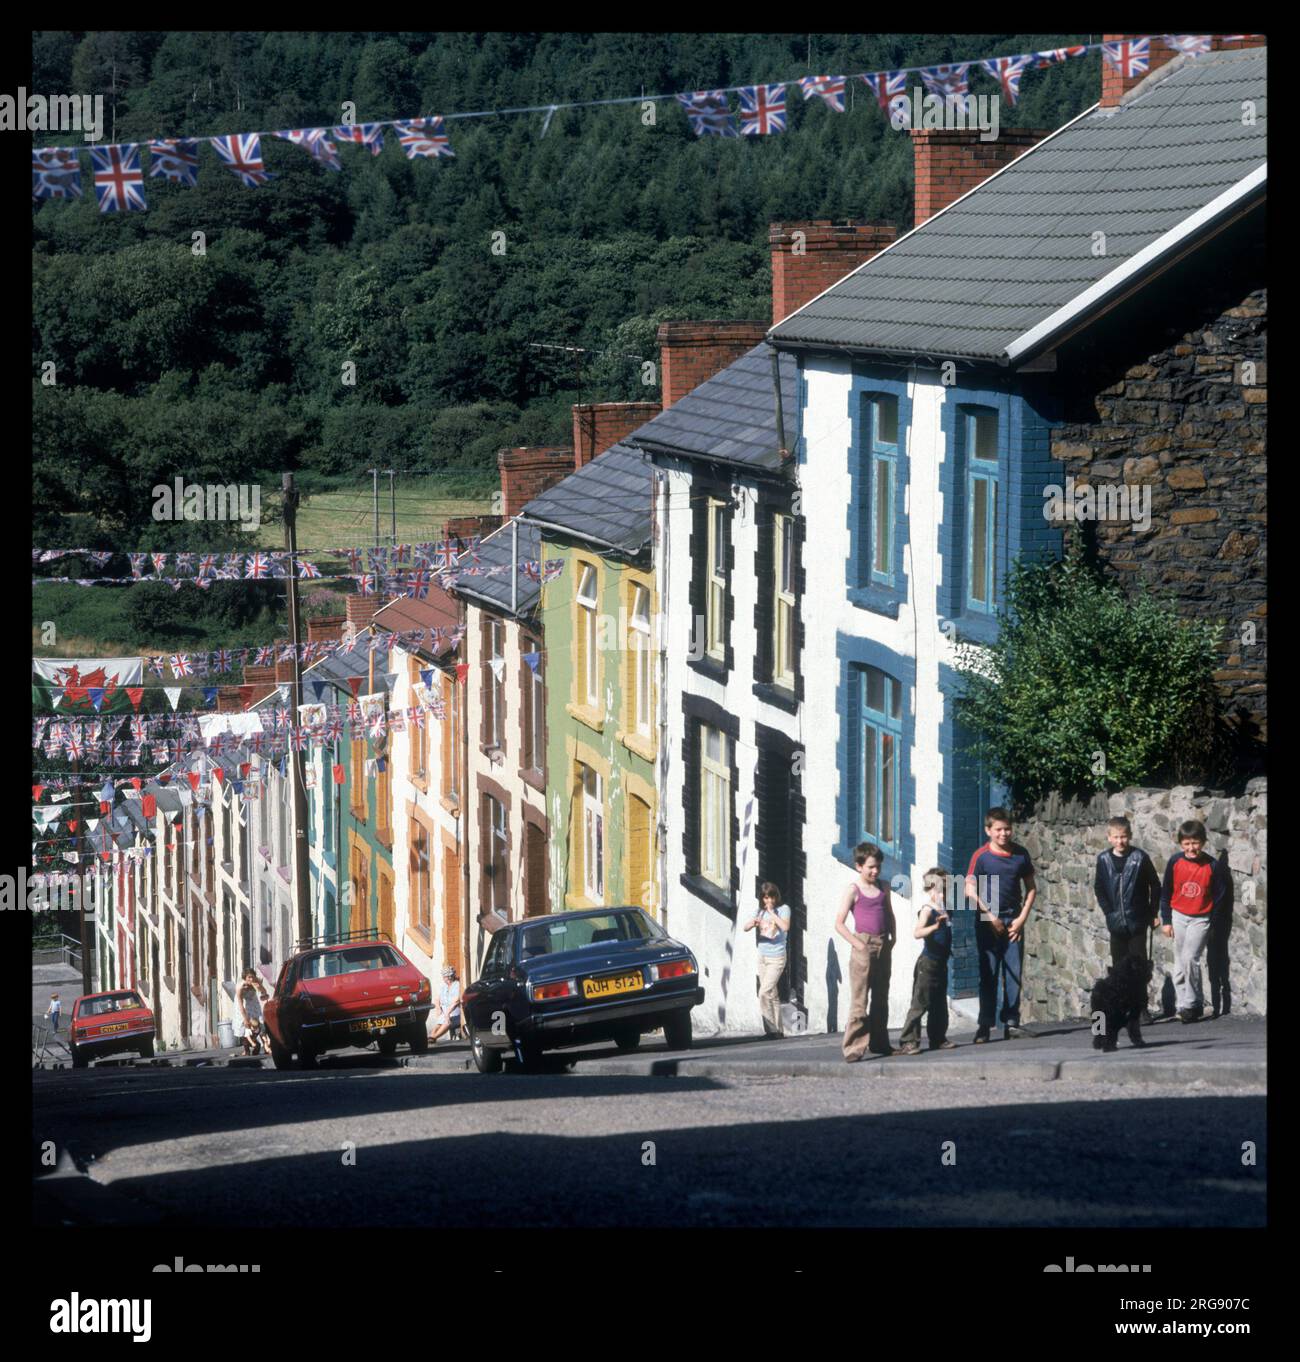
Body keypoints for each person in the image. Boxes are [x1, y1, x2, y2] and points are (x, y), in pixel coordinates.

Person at [966, 807, 1037, 1043]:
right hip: (988, 920)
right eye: (998, 830)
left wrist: (1022, 918)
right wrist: (989, 916)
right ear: (988, 830)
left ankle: (1011, 1023)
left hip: (1013, 919)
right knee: (989, 973)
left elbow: (1031, 888)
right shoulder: (981, 856)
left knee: (1014, 972)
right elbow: (968, 889)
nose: (1004, 834)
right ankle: (984, 1026)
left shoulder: (1021, 854)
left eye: (1007, 829)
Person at [1160, 819, 1231, 1023]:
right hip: (1178, 915)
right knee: (1180, 963)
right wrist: (1166, 920)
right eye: (1187, 843)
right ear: (1181, 844)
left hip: (1201, 918)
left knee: (1191, 958)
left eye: (1196, 843)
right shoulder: (1175, 861)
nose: (1191, 848)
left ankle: (1193, 1003)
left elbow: (1219, 899)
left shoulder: (1213, 866)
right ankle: (1184, 1006)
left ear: (1203, 842)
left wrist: (1213, 925)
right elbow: (1166, 892)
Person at [835, 843, 896, 1061]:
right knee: (860, 999)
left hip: (882, 944)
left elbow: (889, 913)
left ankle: (880, 1043)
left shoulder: (883, 887)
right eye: (870, 867)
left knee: (881, 997)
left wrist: (893, 937)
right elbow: (839, 923)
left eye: (878, 866)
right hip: (863, 944)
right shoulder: (853, 890)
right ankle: (853, 1048)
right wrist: (858, 944)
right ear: (859, 866)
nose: (875, 871)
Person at [898, 868, 958, 1055]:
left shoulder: (946, 908)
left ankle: (938, 1038)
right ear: (929, 889)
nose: (941, 894)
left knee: (939, 1003)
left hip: (941, 963)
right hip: (928, 963)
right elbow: (917, 933)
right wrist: (935, 926)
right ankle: (908, 1040)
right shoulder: (927, 910)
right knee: (920, 1002)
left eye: (945, 890)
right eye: (937, 890)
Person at [743, 882, 791, 1038]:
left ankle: (770, 1030)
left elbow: (785, 927)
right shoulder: (759, 911)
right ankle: (778, 1031)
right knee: (772, 994)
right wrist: (753, 923)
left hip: (777, 957)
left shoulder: (784, 909)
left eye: (771, 897)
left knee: (763, 992)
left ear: (776, 896)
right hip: (763, 956)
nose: (768, 901)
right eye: (765, 898)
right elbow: (745, 927)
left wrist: (772, 914)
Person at [236, 968, 270, 1056]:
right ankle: (247, 1048)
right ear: (245, 978)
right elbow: (240, 1004)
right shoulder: (240, 987)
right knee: (246, 1025)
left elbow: (264, 993)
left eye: (253, 977)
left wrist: (260, 987)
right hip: (243, 1003)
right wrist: (245, 1018)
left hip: (253, 1002)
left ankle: (266, 1046)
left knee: (260, 1022)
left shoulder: (256, 981)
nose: (251, 979)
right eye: (249, 977)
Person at [430, 964, 461, 1043]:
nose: (443, 978)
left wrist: (447, 1013)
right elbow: (437, 999)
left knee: (446, 1022)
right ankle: (431, 1037)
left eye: (444, 977)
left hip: (454, 1013)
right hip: (445, 1013)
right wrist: (438, 1008)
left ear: (449, 977)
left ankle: (433, 1038)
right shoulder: (444, 987)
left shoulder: (457, 985)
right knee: (437, 1025)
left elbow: (456, 1001)